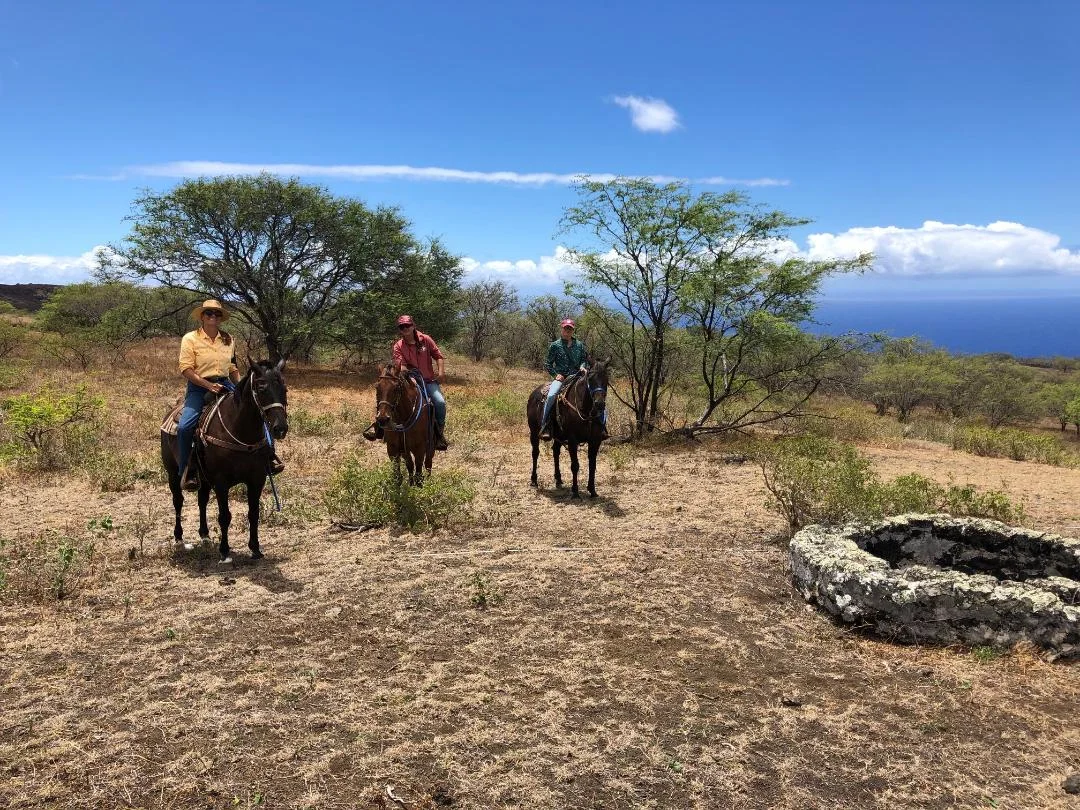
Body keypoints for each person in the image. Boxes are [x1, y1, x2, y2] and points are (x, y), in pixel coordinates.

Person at [176, 299, 283, 491]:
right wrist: (208, 385)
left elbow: (232, 368)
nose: (213, 317)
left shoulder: (228, 339)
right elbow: (186, 369)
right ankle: (188, 470)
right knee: (185, 426)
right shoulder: (190, 339)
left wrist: (242, 386)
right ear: (202, 316)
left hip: (225, 383)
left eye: (217, 314)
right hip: (199, 386)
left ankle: (269, 457)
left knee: (259, 412)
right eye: (209, 313)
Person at [363, 315, 449, 450]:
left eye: (407, 325)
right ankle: (379, 429)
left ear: (413, 326)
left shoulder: (426, 339)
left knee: (439, 402)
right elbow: (401, 366)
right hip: (410, 379)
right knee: (388, 398)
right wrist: (409, 376)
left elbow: (438, 356)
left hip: (428, 380)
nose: (405, 329)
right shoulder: (398, 345)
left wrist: (441, 373)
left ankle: (439, 434)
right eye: (401, 327)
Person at [539, 318, 606, 441]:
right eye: (565, 328)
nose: (567, 331)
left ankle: (602, 427)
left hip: (578, 376)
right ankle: (546, 425)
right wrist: (555, 375)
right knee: (551, 395)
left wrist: (582, 366)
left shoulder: (579, 345)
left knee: (597, 394)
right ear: (562, 329)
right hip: (562, 378)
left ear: (573, 330)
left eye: (570, 329)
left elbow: (584, 360)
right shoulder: (555, 345)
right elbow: (548, 363)